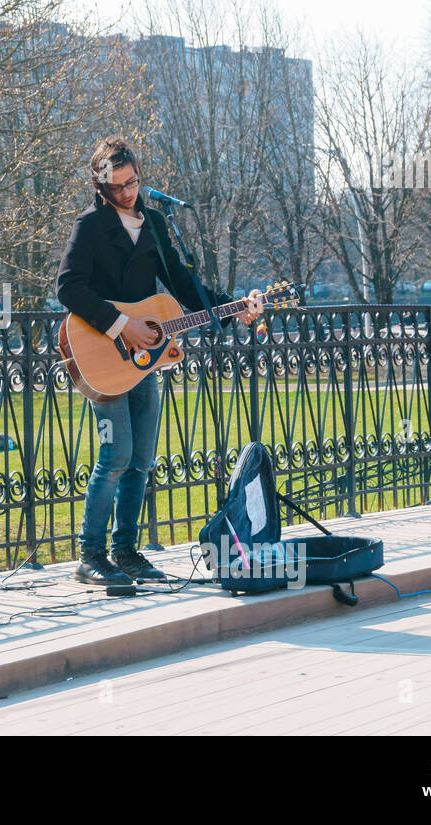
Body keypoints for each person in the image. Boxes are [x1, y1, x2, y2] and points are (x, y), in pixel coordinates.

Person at [56, 136, 264, 586]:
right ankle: (90, 556)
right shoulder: (89, 226)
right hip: (102, 351)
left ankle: (126, 552)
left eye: (133, 182)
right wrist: (120, 325)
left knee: (141, 458)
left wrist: (235, 308)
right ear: (101, 185)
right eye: (118, 186)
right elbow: (68, 288)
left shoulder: (152, 222)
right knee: (116, 454)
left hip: (143, 359)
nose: (128, 192)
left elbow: (184, 284)